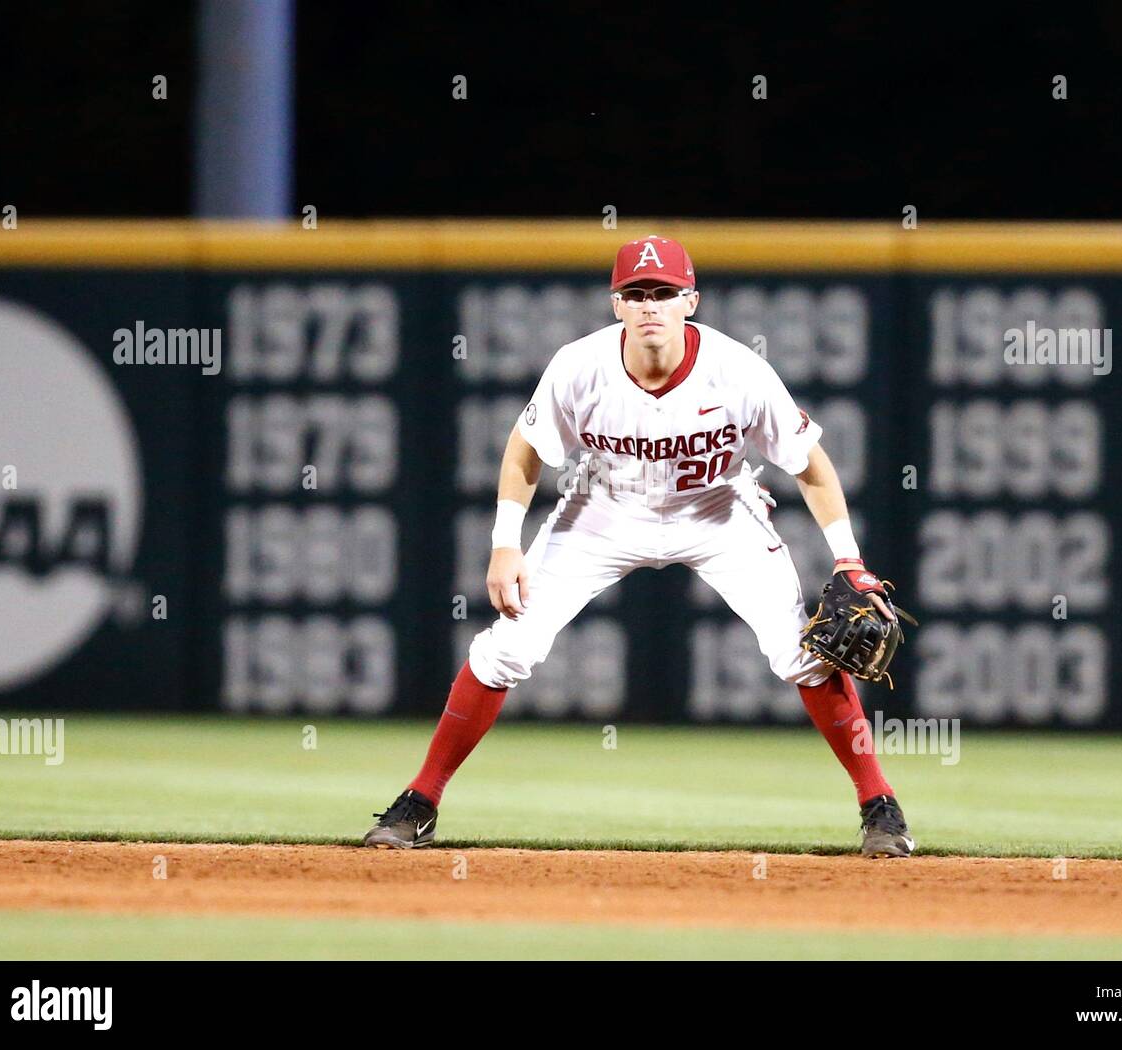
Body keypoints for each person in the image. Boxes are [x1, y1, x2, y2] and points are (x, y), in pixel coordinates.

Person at [365, 235, 914, 858]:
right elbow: (525, 450)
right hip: (602, 512)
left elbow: (809, 464)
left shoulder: (738, 370)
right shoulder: (578, 366)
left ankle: (880, 806)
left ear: (691, 301)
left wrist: (848, 558)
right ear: (616, 305)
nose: (650, 305)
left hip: (718, 512)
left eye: (665, 293)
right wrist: (503, 544)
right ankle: (421, 800)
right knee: (506, 650)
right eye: (636, 293)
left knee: (805, 656)